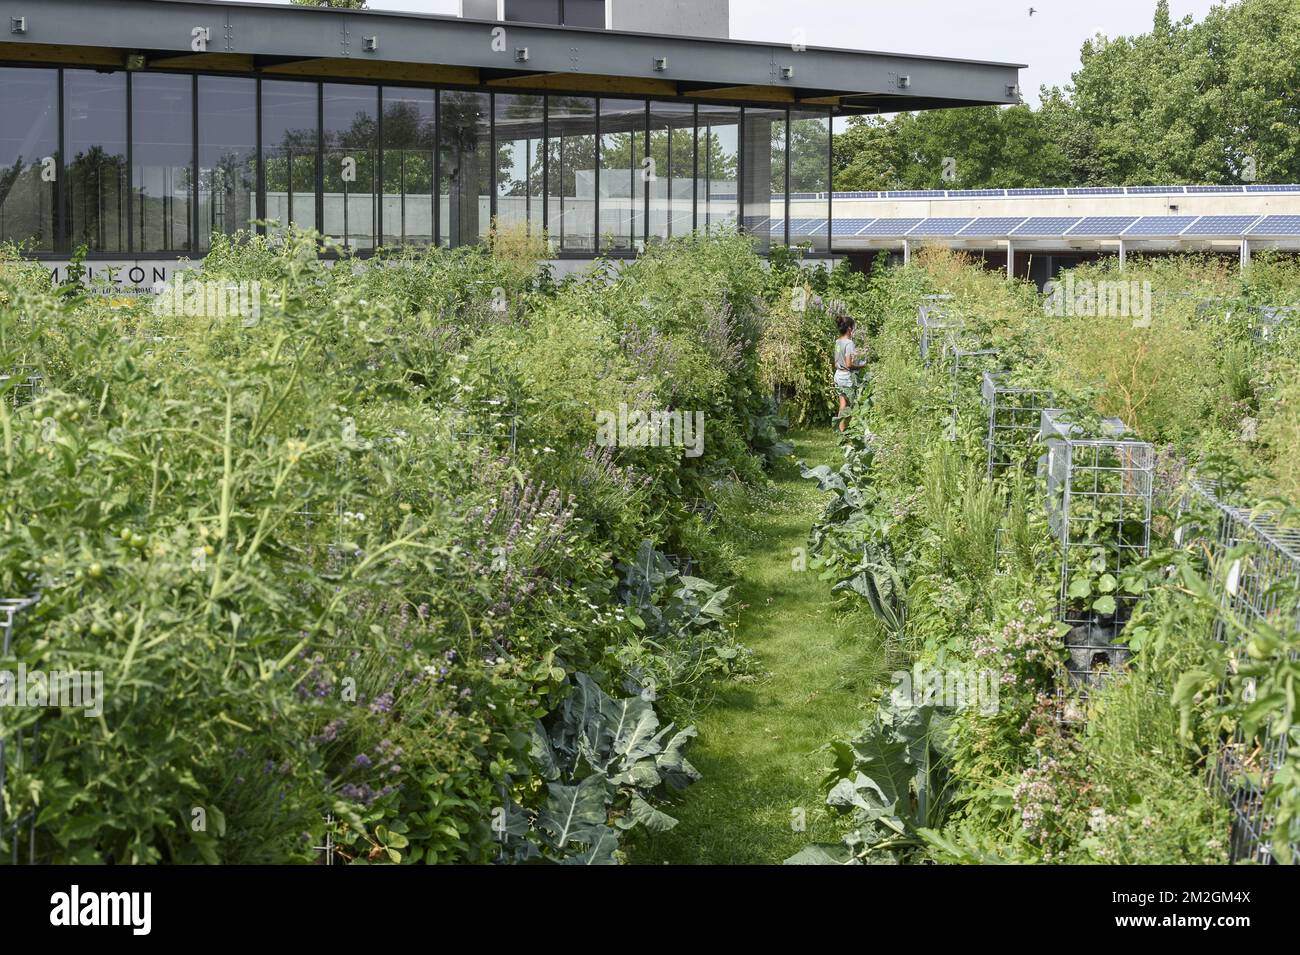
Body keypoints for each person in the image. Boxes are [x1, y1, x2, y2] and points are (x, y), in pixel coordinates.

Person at [832, 315, 868, 432]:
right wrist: (861, 366)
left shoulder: (838, 342)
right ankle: (845, 430)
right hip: (846, 376)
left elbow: (837, 361)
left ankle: (840, 429)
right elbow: (848, 364)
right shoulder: (849, 343)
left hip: (838, 374)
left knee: (842, 403)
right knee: (851, 404)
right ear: (849, 329)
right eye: (853, 328)